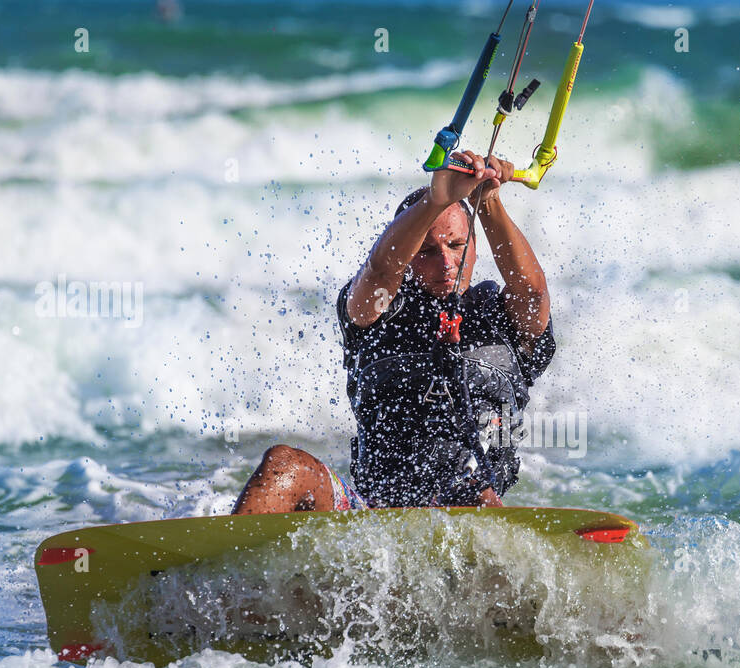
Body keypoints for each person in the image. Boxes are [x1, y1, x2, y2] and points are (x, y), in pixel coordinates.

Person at [232, 150, 555, 515]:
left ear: (476, 249)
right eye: (426, 250)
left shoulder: (502, 320)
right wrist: (436, 199)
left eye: (456, 245)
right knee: (283, 464)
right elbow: (380, 271)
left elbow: (533, 292)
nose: (446, 262)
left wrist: (488, 201)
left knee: (469, 490)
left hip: (472, 513)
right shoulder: (378, 313)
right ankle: (219, 565)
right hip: (370, 521)